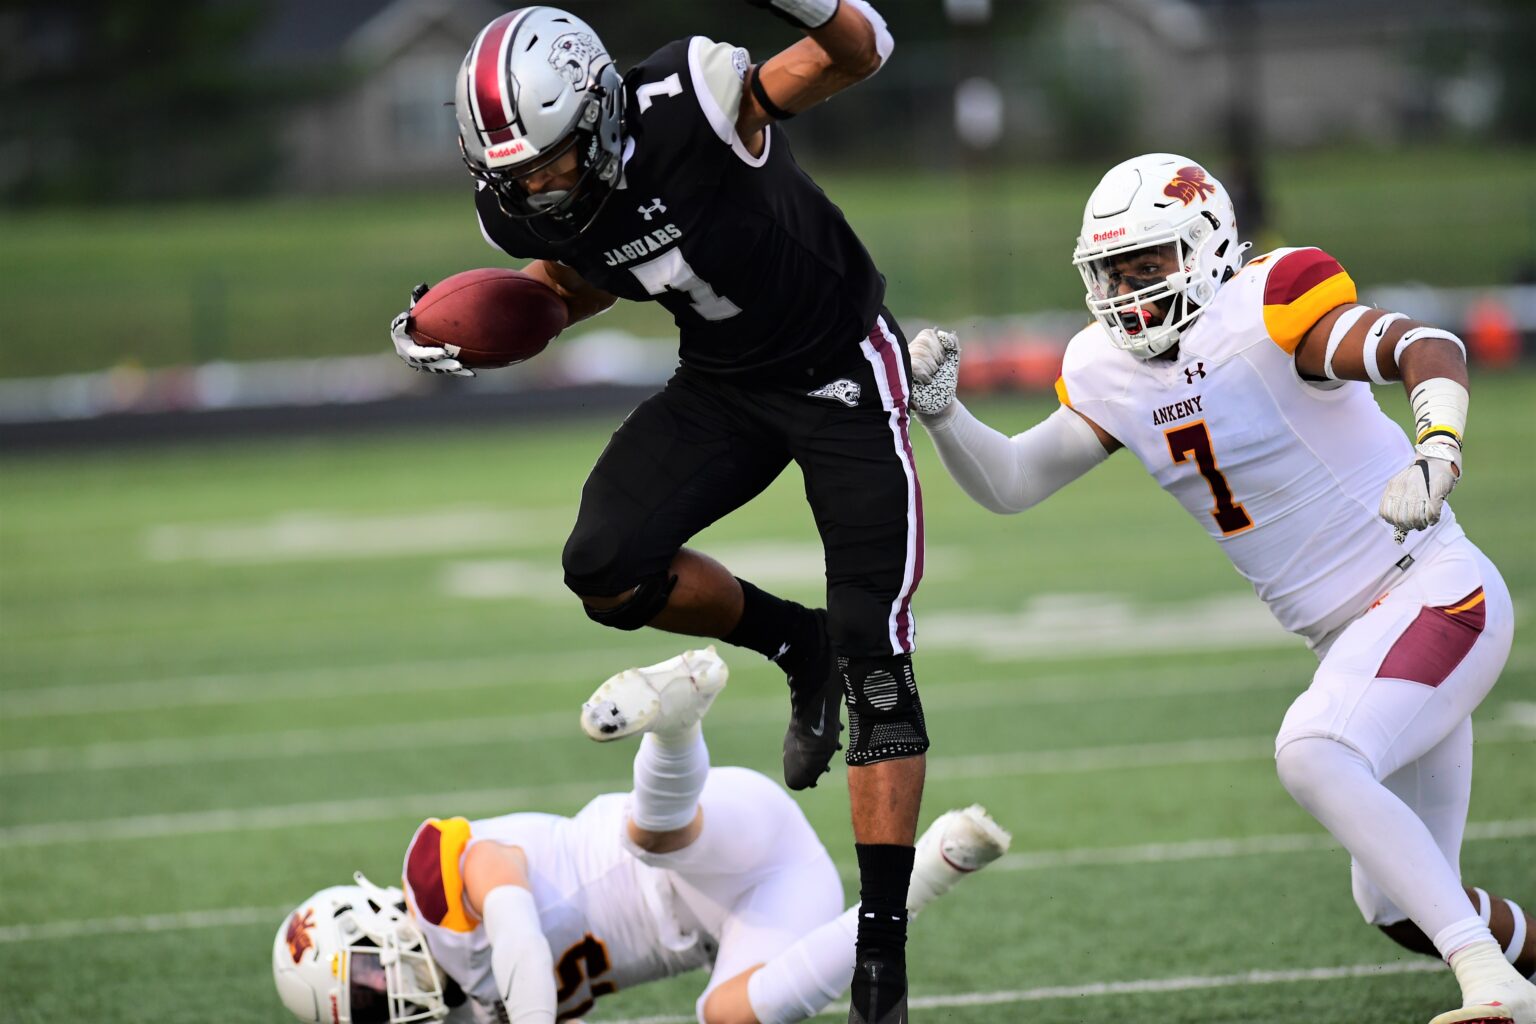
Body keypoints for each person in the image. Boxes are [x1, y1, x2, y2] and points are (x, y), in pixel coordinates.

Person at [904, 153, 1536, 1024]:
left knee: (1315, 750)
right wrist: (944, 414)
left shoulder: (1269, 305)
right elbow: (1013, 482)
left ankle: (1495, 986)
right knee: (1397, 906)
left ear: (1204, 247)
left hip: (1435, 592)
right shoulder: (1106, 367)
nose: (1127, 290)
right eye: (1111, 272)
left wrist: (1438, 450)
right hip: (1357, 638)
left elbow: (1429, 346)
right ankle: (1516, 956)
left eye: (1147, 265)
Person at [389, 6, 928, 1017]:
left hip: (841, 367)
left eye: (551, 162)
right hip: (723, 381)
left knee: (881, 666)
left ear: (596, 112)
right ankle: (792, 642)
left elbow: (862, 52)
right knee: (603, 564)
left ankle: (881, 960)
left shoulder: (698, 102)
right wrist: (518, 311)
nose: (535, 186)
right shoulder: (522, 198)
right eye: (518, 173)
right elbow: (587, 270)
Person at [273, 648, 1009, 1024]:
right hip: (760, 908)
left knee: (646, 838)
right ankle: (933, 867)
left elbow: (519, 936)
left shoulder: (435, 877)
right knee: (725, 1015)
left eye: (369, 987)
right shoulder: (462, 1007)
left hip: (712, 832)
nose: (386, 1003)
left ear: (369, 925)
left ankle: (677, 721)